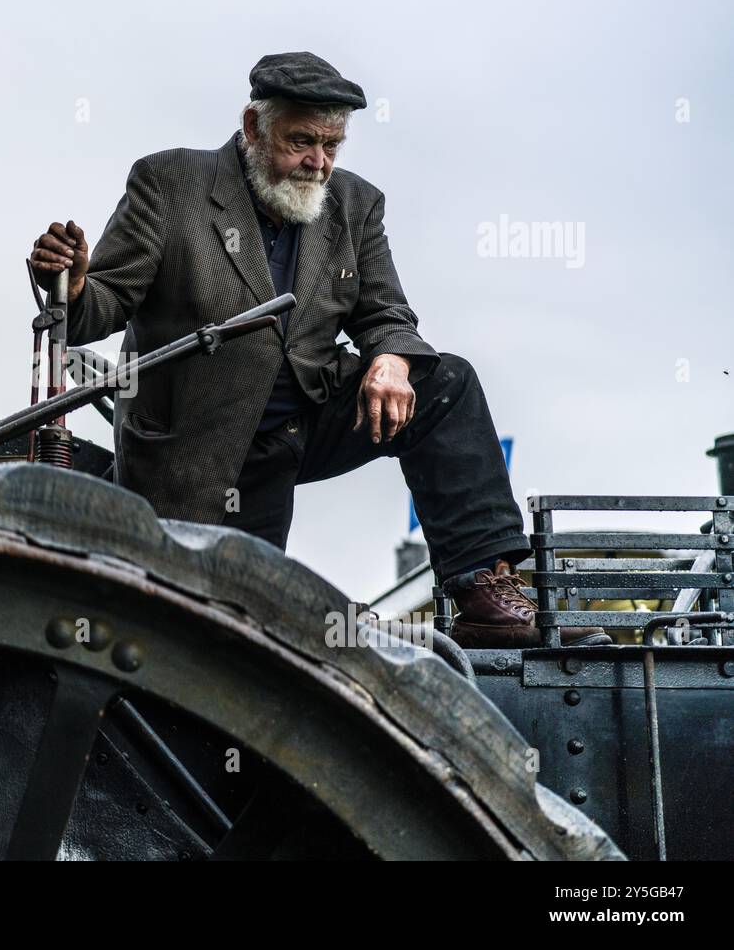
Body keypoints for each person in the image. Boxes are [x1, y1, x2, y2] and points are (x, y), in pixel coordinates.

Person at [29, 51, 604, 649]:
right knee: (219, 635)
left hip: (305, 421)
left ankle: (482, 587)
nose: (318, 162)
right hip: (199, 445)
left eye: (332, 145)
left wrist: (391, 359)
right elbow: (102, 305)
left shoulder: (356, 206)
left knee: (446, 385)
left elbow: (386, 315)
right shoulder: (170, 183)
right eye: (301, 141)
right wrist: (71, 284)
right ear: (253, 128)